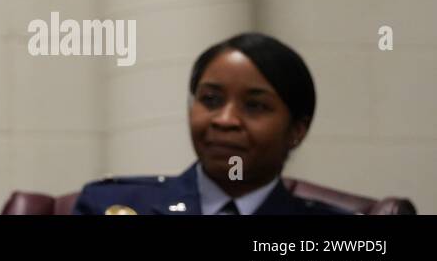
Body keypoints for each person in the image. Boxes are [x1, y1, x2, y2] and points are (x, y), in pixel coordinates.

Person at [74, 32, 351, 215]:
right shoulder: (114, 207)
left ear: (296, 131)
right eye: (211, 99)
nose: (225, 120)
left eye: (255, 106)